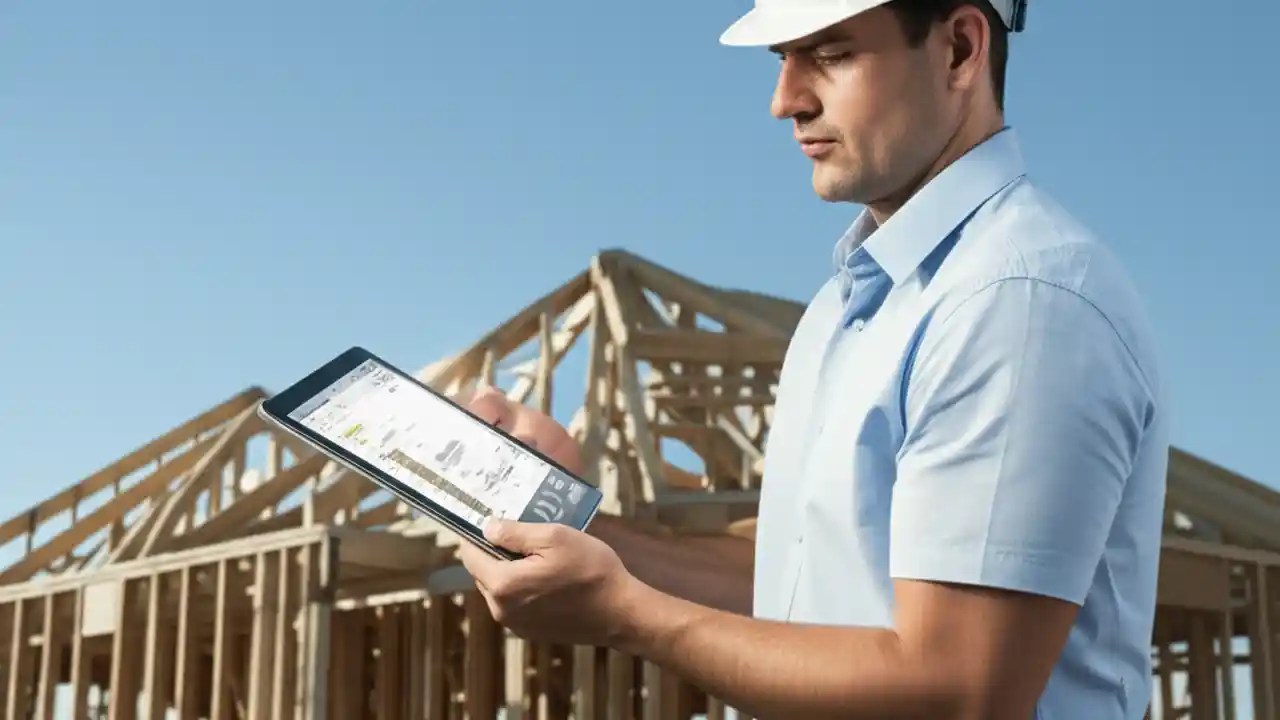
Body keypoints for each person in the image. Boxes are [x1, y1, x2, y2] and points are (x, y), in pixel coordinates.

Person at [457, 0, 1169, 717]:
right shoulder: (848, 308)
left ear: (959, 49)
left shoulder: (1020, 300)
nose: (784, 101)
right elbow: (797, 583)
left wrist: (626, 615)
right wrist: (574, 532)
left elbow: (957, 690)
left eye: (830, 54)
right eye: (781, 59)